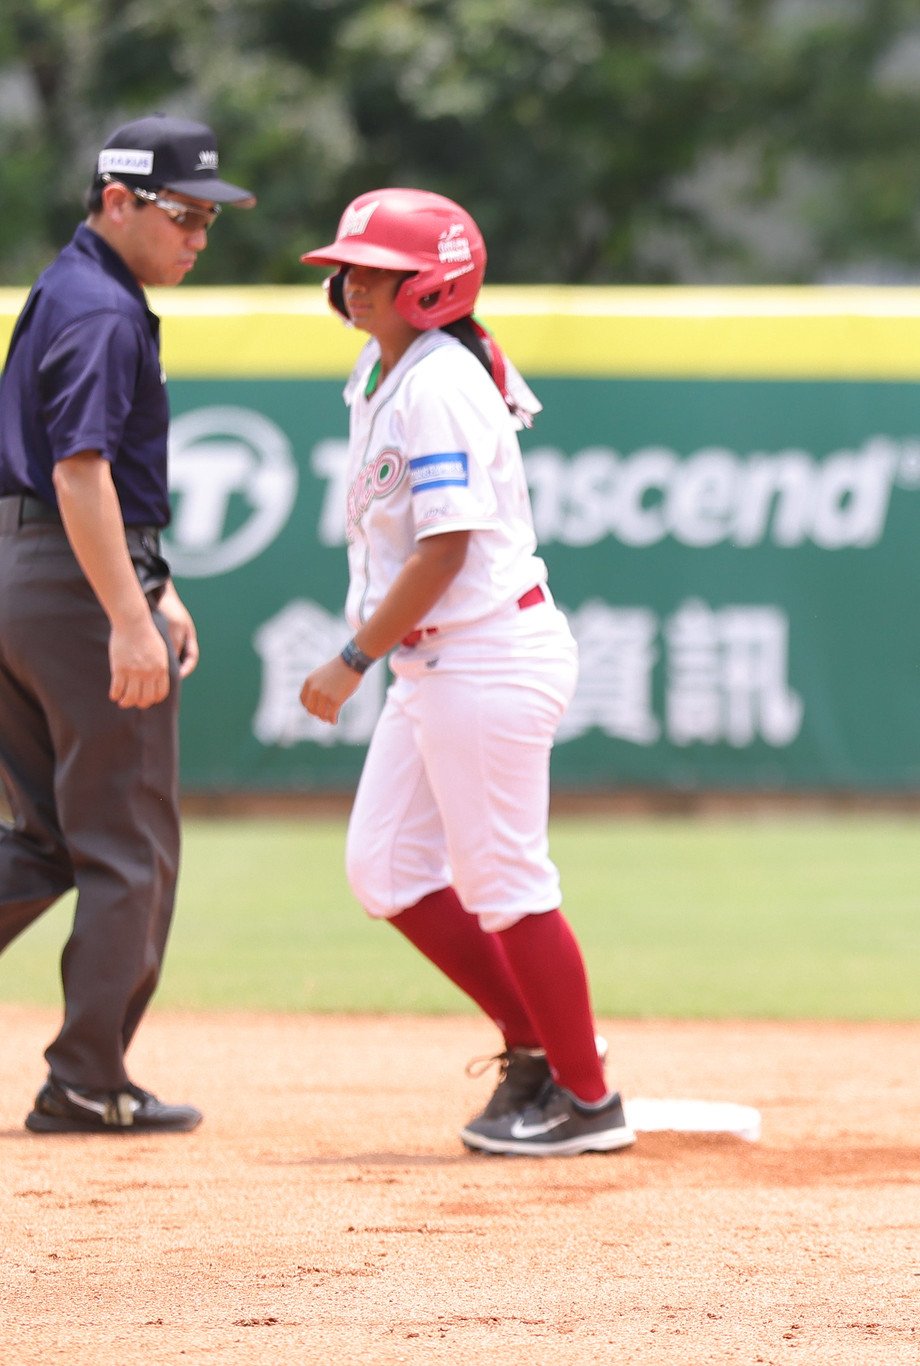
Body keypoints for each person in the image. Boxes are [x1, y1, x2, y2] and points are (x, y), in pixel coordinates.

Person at [295, 189, 631, 1157]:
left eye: (378, 270)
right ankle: (532, 1043)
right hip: (439, 658)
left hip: (484, 651)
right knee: (386, 868)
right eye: (349, 268)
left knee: (505, 878)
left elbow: (444, 550)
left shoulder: (438, 381)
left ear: (433, 286)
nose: (353, 282)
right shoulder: (384, 367)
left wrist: (351, 659)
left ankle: (586, 1095)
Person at [0, 116, 255, 1134]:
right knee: (128, 844)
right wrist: (126, 615)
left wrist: (156, 582)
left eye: (209, 218)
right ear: (118, 201)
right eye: (183, 214)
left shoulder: (71, 286)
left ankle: (88, 1069)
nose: (200, 234)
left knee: (50, 840)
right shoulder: (104, 310)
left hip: (26, 570)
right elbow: (79, 470)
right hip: (68, 581)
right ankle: (87, 1077)